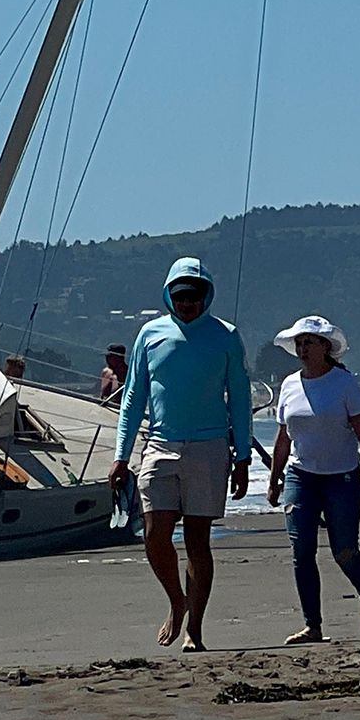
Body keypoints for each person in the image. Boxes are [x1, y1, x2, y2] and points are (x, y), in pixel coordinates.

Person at [110, 257, 251, 652]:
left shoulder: (225, 335)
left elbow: (240, 397)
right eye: (180, 295)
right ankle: (176, 600)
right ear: (169, 295)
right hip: (160, 444)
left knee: (197, 541)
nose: (187, 302)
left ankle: (196, 629)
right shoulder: (150, 334)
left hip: (209, 447)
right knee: (154, 534)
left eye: (194, 295)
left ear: (206, 295)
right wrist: (122, 456)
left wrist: (242, 456)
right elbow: (134, 396)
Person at [266, 316, 360, 644]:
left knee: (344, 550)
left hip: (341, 478)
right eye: (300, 343)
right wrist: (275, 479)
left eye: (310, 342)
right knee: (301, 550)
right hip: (300, 477)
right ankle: (312, 625)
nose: (303, 348)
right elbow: (283, 439)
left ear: (325, 347)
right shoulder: (289, 385)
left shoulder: (344, 384)